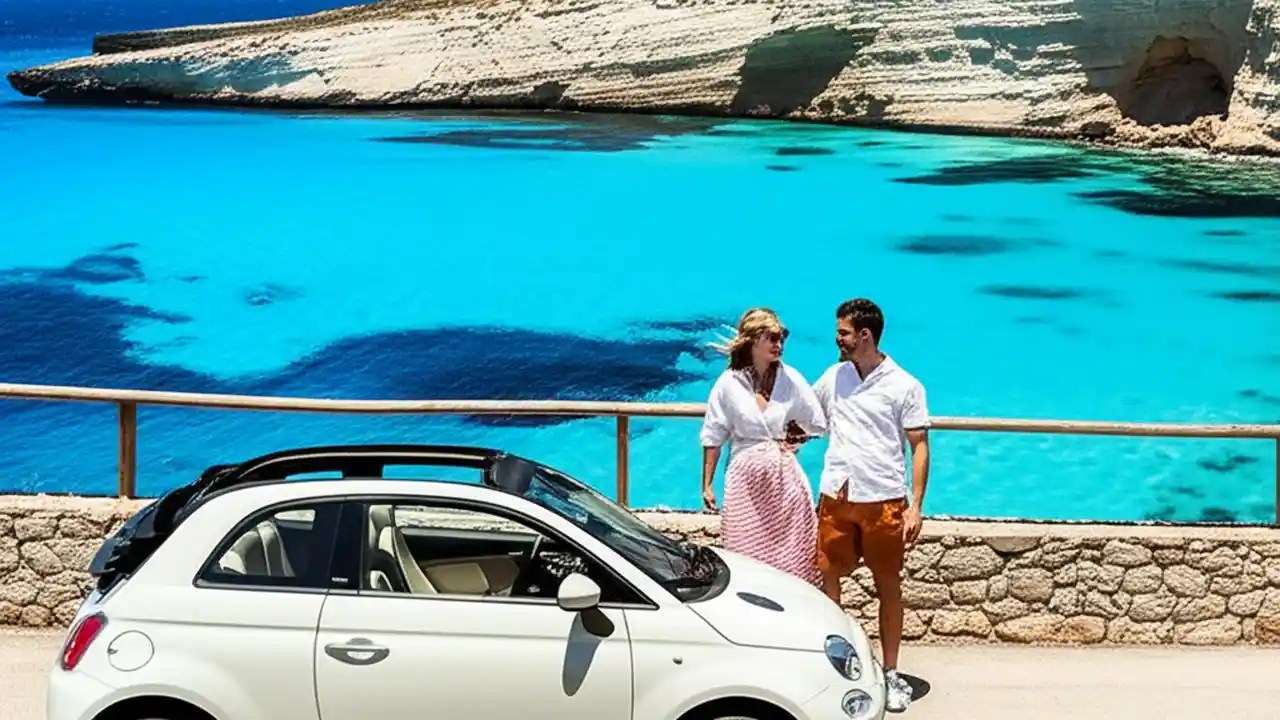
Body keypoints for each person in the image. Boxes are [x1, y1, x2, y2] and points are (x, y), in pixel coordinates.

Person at [811, 298, 930, 714]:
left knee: (888, 585)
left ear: (864, 335)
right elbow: (810, 419)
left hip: (883, 500)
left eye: (843, 332)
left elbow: (919, 447)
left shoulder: (905, 385)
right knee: (828, 582)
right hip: (837, 496)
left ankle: (893, 672)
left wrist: (915, 506)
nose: (837, 338)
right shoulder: (833, 376)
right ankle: (835, 666)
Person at [699, 307, 827, 584]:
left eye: (782, 338)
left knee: (795, 559)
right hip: (745, 483)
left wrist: (797, 436)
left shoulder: (790, 378)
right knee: (745, 556)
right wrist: (707, 484)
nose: (779, 345)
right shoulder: (728, 384)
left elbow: (816, 421)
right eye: (772, 338)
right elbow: (714, 434)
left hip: (785, 483)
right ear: (753, 340)